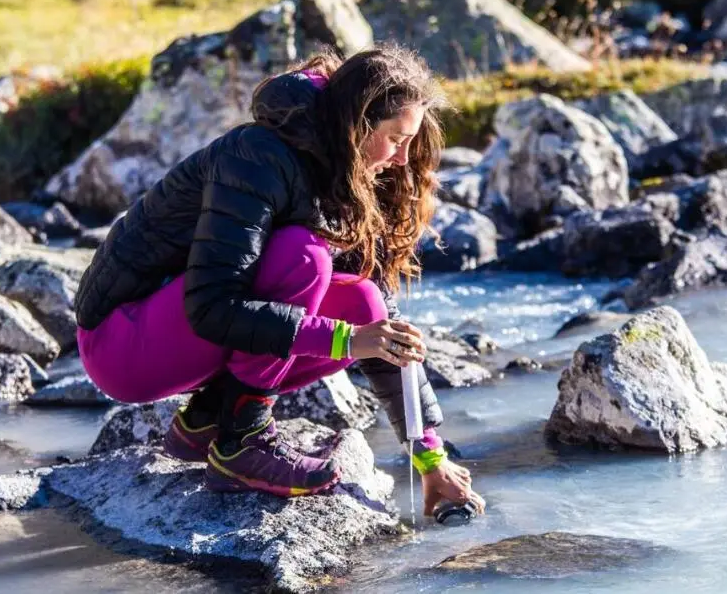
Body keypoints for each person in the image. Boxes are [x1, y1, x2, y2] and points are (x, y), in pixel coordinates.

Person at [73, 45, 486, 517]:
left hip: (170, 334)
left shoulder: (337, 167)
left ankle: (210, 419)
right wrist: (348, 341)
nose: (402, 158)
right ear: (358, 123)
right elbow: (212, 306)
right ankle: (242, 443)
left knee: (363, 301)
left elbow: (383, 326)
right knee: (303, 259)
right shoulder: (256, 158)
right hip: (120, 343)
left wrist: (430, 458)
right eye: (396, 139)